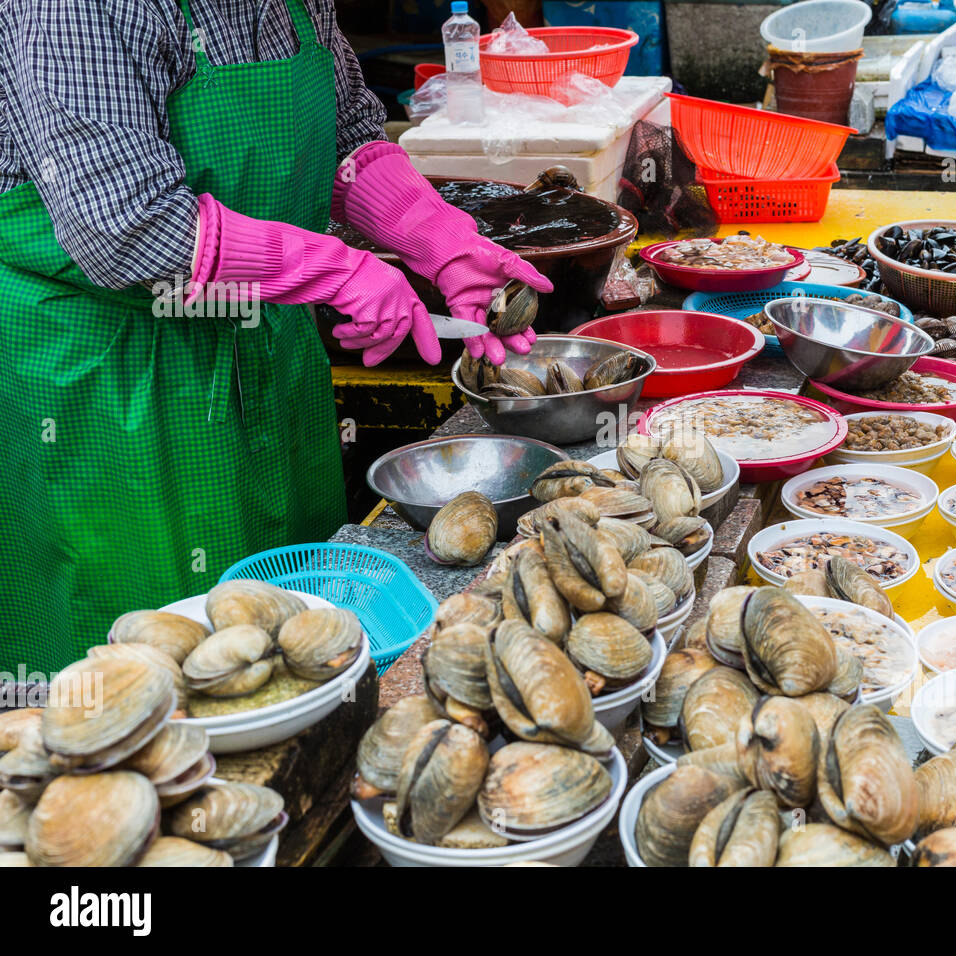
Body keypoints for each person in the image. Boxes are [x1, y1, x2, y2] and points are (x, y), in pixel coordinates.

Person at [0, 0, 551, 674]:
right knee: (162, 660)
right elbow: (123, 226)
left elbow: (346, 140)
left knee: (302, 634)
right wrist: (336, 270)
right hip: (114, 370)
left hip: (265, 342)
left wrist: (436, 237)